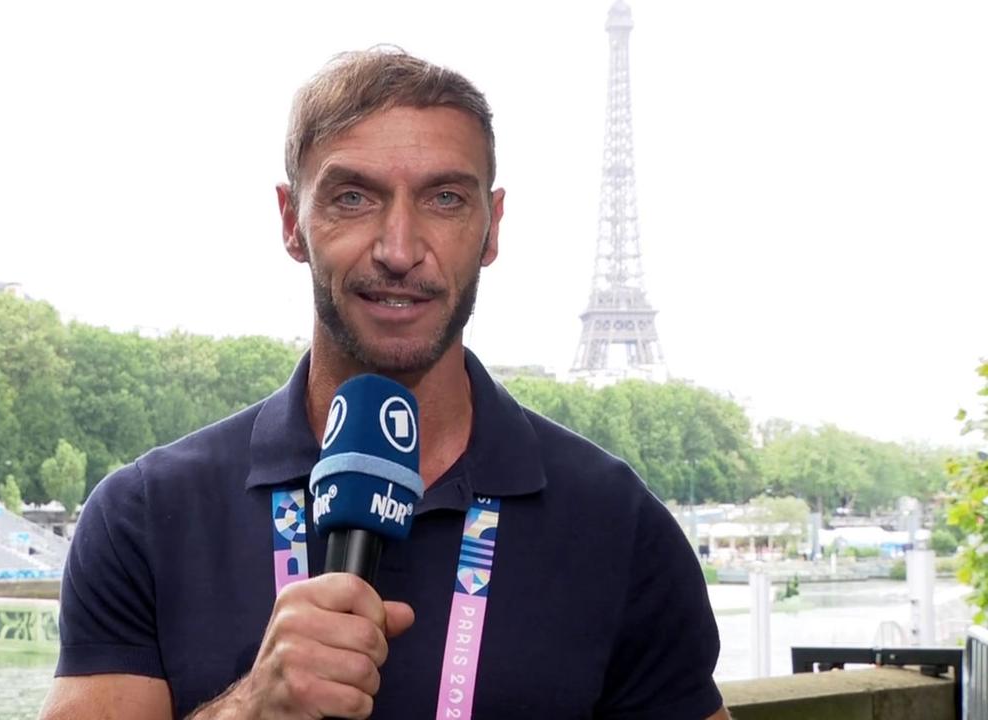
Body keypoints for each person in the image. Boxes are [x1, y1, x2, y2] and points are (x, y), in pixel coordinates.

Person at [40, 48, 728, 720]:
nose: (399, 249)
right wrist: (253, 708)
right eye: (353, 197)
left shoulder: (617, 524)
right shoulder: (145, 515)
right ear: (292, 222)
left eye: (445, 199)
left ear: (491, 229)